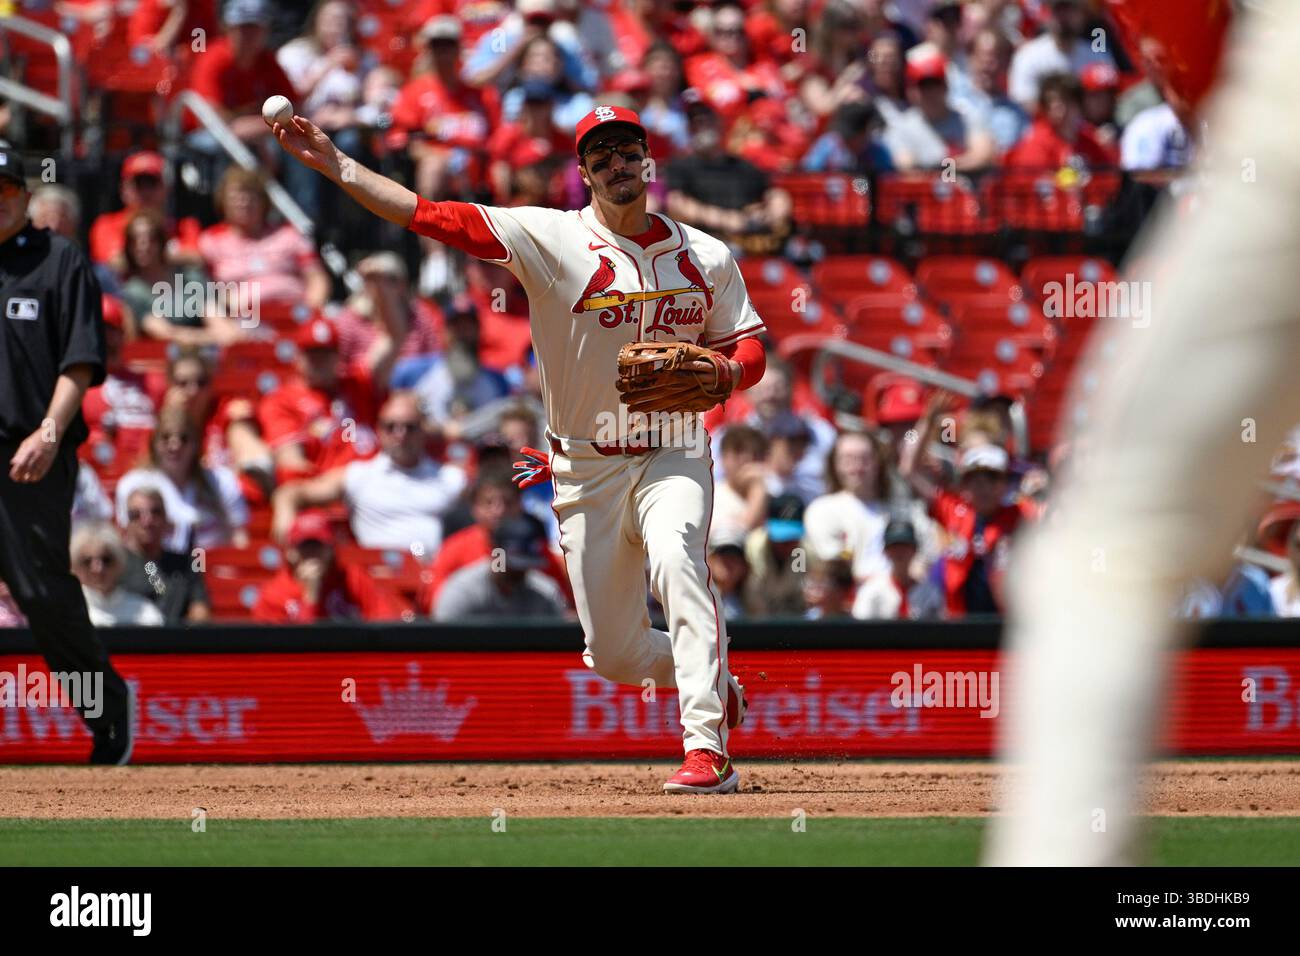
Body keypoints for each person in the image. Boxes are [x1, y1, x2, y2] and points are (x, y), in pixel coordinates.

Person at [272, 99, 769, 794]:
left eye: (629, 152)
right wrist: (338, 164)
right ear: (584, 174)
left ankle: (706, 746)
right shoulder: (550, 237)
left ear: (649, 161)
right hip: (583, 465)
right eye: (602, 157)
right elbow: (430, 214)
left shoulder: (706, 254)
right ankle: (709, 675)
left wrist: (727, 371)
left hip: (671, 447)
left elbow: (747, 344)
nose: (618, 165)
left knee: (677, 559)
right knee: (615, 656)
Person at [0, 145, 134, 763]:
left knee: (40, 591)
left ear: (24, 197)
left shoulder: (58, 260)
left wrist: (49, 434)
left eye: (5, 189)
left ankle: (106, 711)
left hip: (30, 453)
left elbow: (78, 362)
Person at [270, 391, 467, 558]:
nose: (400, 435)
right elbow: (292, 493)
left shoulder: (451, 478)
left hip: (435, 579)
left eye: (409, 427)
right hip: (380, 582)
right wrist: (285, 512)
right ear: (379, 430)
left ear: (424, 430)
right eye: (391, 427)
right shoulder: (359, 476)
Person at [257, 315, 393, 483]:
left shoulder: (357, 382)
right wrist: (331, 487)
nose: (320, 362)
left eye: (326, 354)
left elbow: (393, 341)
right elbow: (291, 462)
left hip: (383, 479)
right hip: (332, 492)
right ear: (298, 358)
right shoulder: (280, 400)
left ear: (338, 356)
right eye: (313, 354)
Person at [421, 472, 571, 613]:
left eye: (508, 502)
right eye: (488, 502)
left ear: (520, 505)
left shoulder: (534, 548)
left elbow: (562, 604)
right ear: (474, 508)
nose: (498, 510)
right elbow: (437, 605)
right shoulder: (454, 548)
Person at [115, 403, 251, 550]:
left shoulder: (221, 481)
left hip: (211, 566)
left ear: (196, 444)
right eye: (165, 438)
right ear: (154, 443)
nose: (174, 446)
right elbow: (129, 541)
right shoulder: (133, 484)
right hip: (156, 569)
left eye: (184, 438)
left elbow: (239, 535)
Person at [197, 168, 332, 312]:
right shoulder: (211, 240)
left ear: (264, 202)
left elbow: (316, 278)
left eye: (251, 197)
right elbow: (205, 289)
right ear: (223, 202)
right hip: (243, 320)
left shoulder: (288, 235)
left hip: (294, 315)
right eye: (236, 198)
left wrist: (312, 310)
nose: (244, 203)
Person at [252, 512, 410, 622]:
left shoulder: (352, 579)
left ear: (331, 549)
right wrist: (311, 596)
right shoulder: (273, 595)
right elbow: (297, 649)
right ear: (291, 552)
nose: (313, 554)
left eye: (318, 546)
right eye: (305, 547)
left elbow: (383, 617)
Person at [121, 211, 246, 346]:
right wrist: (212, 337)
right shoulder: (132, 292)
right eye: (135, 240)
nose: (143, 246)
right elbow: (166, 333)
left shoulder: (191, 278)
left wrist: (219, 335)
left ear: (162, 242)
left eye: (151, 239)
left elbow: (221, 324)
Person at [433, 514, 568, 620]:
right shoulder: (463, 591)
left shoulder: (544, 592)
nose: (520, 571)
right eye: (513, 565)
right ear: (496, 552)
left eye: (525, 564)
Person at [87, 151, 202, 272]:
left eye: (152, 184)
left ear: (166, 189)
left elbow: (196, 258)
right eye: (138, 184)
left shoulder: (185, 226)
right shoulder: (106, 225)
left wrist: (141, 256)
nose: (146, 192)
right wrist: (166, 255)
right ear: (124, 189)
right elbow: (114, 263)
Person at [117, 486, 212, 624]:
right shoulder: (114, 563)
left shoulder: (188, 563)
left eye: (155, 512)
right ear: (126, 522)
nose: (147, 521)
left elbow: (200, 608)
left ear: (166, 518)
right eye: (136, 515)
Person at [1007, 0, 1115, 111]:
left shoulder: (1097, 57)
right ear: (1047, 15)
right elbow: (1022, 103)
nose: (1063, 18)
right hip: (1043, 125)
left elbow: (1110, 102)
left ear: (1082, 15)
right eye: (1058, 10)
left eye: (1070, 10)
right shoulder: (1028, 56)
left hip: (1091, 126)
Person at [71, 522, 166, 627]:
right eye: (87, 561)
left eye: (106, 560)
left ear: (120, 564)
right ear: (75, 567)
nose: (98, 569)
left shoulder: (146, 615)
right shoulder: (65, 613)